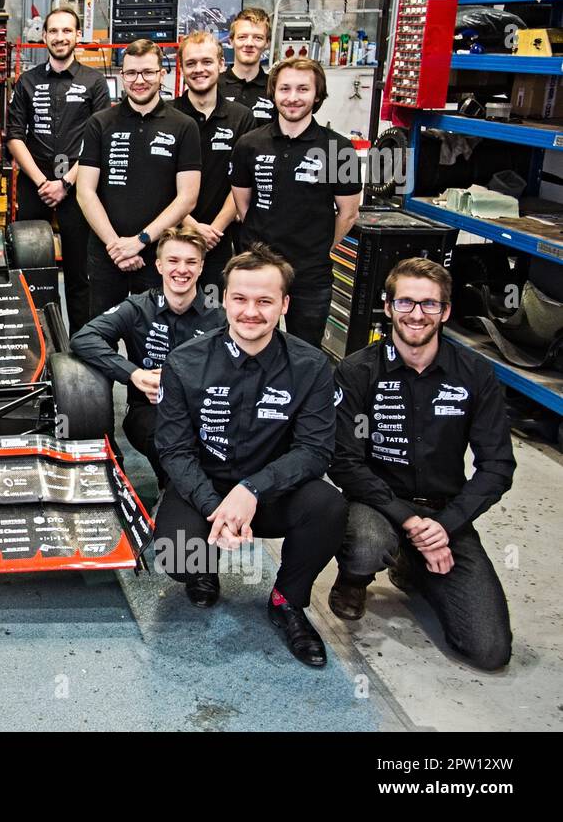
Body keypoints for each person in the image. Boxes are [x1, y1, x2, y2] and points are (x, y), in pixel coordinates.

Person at [153, 244, 346, 667]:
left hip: (271, 493)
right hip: (203, 490)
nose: (250, 312)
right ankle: (205, 564)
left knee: (328, 505)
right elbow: (173, 448)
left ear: (284, 304)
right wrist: (215, 507)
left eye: (264, 301)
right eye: (240, 299)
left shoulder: (311, 366)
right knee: (177, 556)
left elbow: (315, 452)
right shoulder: (184, 363)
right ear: (224, 300)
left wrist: (252, 489)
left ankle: (287, 600)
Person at [328, 258, 515, 670]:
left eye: (430, 305)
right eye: (407, 302)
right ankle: (356, 577)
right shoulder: (357, 372)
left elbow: (497, 466)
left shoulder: (475, 374)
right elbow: (344, 463)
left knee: (489, 651)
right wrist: (409, 521)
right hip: (377, 504)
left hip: (445, 513)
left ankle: (414, 565)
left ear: (445, 311)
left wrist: (443, 526)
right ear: (388, 306)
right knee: (368, 544)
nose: (417, 314)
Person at [69, 225, 225, 491]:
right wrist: (134, 374)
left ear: (201, 268)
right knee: (169, 440)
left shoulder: (220, 317)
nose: (182, 270)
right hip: (148, 411)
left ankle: (186, 500)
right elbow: (83, 339)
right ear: (159, 265)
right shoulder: (138, 307)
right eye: (173, 261)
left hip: (203, 408)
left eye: (191, 262)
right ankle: (176, 497)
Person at [230, 57, 361, 345]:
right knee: (251, 346)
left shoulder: (339, 148)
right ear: (273, 93)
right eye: (284, 89)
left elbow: (349, 213)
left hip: (310, 275)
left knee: (306, 353)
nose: (292, 98)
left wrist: (317, 247)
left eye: (302, 89)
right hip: (257, 271)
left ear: (317, 95)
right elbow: (243, 206)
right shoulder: (249, 144)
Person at [76, 38, 201, 317]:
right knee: (100, 344)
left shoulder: (184, 126)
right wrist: (116, 247)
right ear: (121, 76)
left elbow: (187, 198)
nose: (139, 80)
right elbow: (85, 192)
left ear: (161, 74)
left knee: (153, 345)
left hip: (159, 257)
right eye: (131, 73)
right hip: (107, 255)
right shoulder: (100, 123)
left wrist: (140, 241)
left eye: (147, 72)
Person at [5, 6, 110, 332]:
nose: (60, 37)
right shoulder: (27, 81)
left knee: (80, 272)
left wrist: (65, 182)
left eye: (67, 31)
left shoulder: (94, 81)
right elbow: (14, 136)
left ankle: (83, 344)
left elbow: (100, 140)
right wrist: (42, 182)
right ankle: (33, 341)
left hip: (80, 184)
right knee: (29, 268)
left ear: (78, 35)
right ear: (44, 36)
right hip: (35, 185)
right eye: (54, 31)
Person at [171, 31, 257, 299]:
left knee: (212, 316)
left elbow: (242, 182)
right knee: (170, 316)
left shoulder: (241, 118)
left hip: (219, 239)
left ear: (221, 64)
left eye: (207, 62)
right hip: (174, 233)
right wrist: (191, 225)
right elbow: (159, 181)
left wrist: (215, 230)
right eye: (191, 63)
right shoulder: (167, 115)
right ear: (182, 69)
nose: (199, 70)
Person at [219, 7, 274, 124]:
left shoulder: (275, 89)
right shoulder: (213, 86)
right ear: (231, 41)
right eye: (242, 37)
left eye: (258, 38)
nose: (249, 43)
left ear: (267, 43)